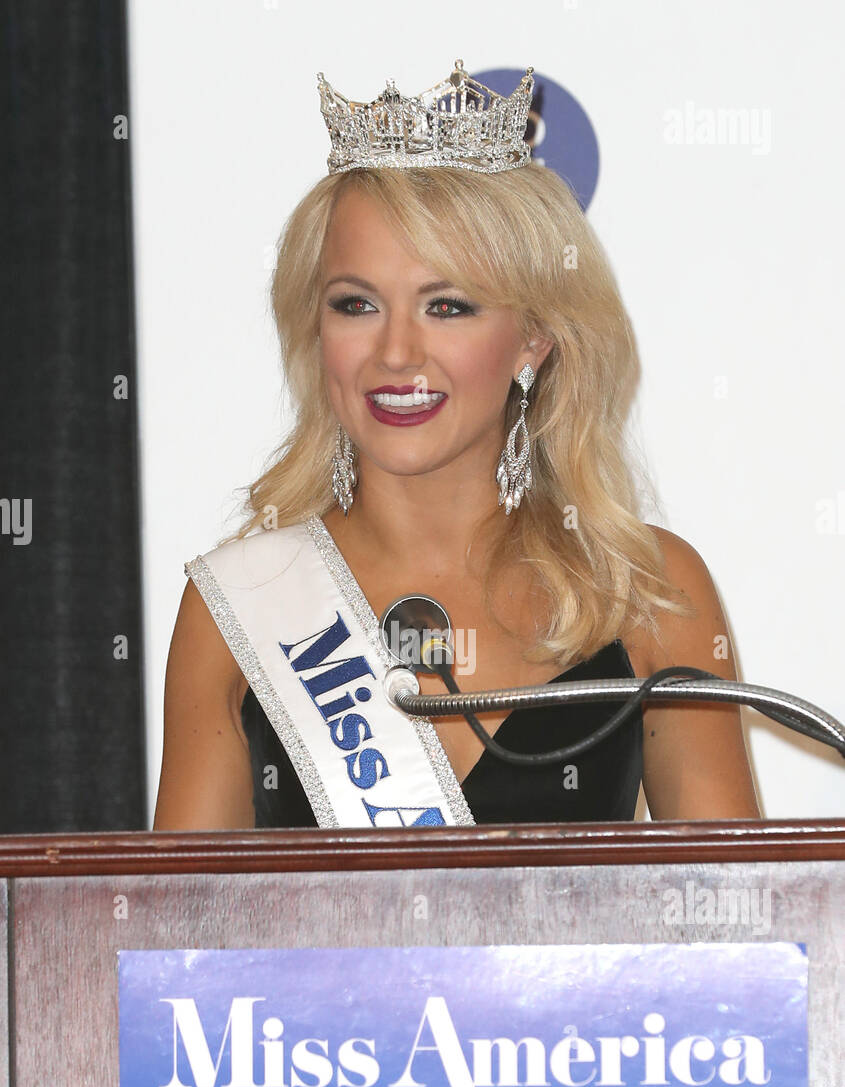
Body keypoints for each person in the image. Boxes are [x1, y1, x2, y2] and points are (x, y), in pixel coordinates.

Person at [153, 60, 761, 831]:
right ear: (317, 329)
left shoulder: (644, 591)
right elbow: (172, 938)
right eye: (356, 304)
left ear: (533, 340)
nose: (396, 354)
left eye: (446, 305)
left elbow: (737, 922)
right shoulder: (237, 607)